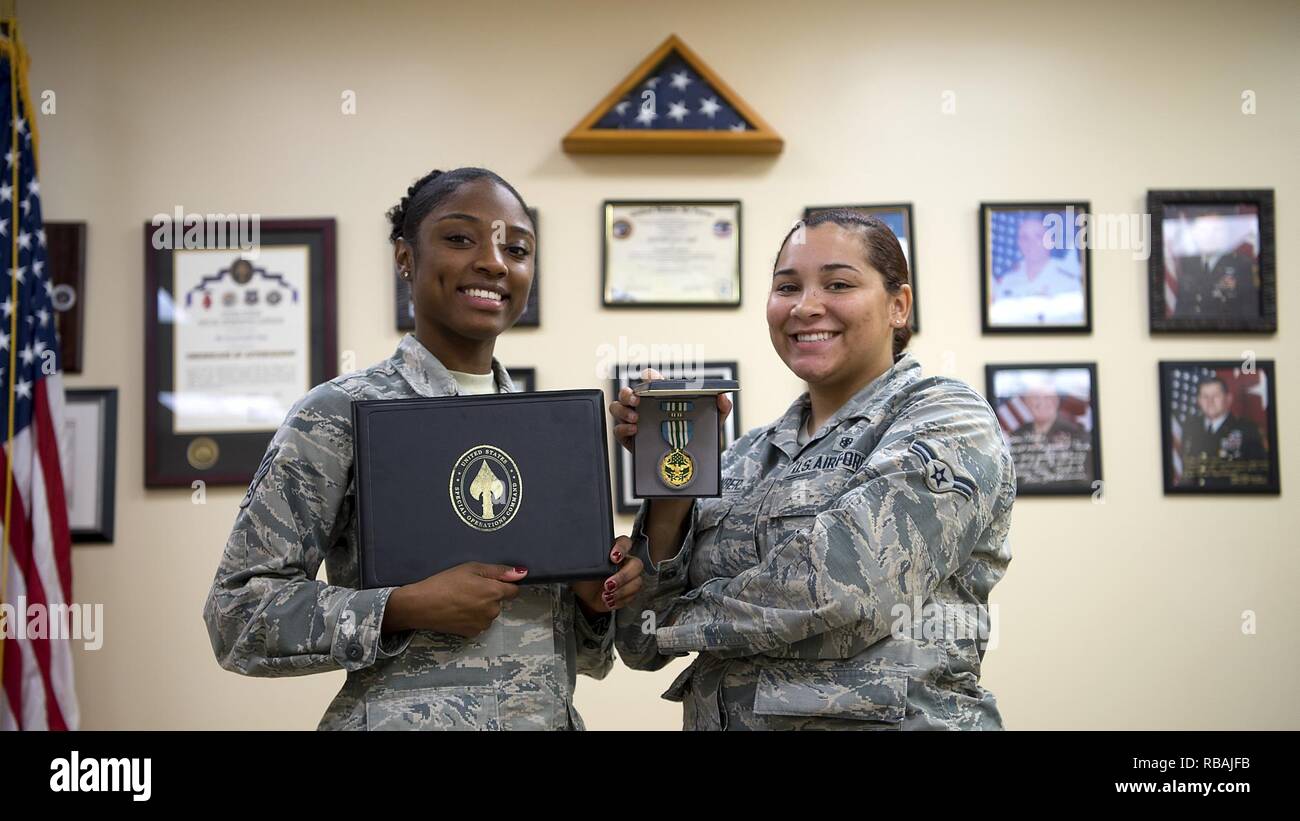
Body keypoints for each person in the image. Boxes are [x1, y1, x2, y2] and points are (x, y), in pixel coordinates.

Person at [203, 167, 642, 731]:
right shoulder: (339, 412)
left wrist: (589, 594)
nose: (494, 261)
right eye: (460, 239)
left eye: (517, 248)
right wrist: (400, 607)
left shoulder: (548, 433)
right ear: (405, 259)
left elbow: (585, 657)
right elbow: (236, 616)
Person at [609, 209, 1015, 730]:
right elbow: (637, 644)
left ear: (898, 305)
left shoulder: (948, 419)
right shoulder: (744, 458)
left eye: (838, 283)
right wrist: (671, 489)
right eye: (787, 287)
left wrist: (670, 622)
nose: (805, 306)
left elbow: (839, 590)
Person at [989, 214, 1084, 326]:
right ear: (1019, 243)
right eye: (1025, 237)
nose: (1031, 243)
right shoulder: (1006, 281)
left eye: (1038, 236)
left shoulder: (1069, 281)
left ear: (1051, 242)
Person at [1180, 375, 1267, 488]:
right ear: (1199, 401)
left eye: (1216, 396)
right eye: (1205, 396)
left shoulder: (1248, 429)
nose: (1210, 401)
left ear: (1228, 399)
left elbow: (1258, 474)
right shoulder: (1190, 428)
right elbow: (1188, 470)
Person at [1172, 214, 1260, 319]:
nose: (1210, 236)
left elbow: (1249, 311)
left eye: (1217, 231)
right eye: (1204, 231)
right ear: (1195, 235)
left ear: (1226, 235)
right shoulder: (1188, 262)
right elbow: (1182, 307)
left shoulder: (1241, 265)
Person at [1008, 383, 1093, 488]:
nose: (1041, 402)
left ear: (1056, 401)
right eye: (1035, 398)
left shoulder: (1077, 434)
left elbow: (1085, 480)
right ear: (1026, 403)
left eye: (1048, 398)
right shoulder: (1017, 435)